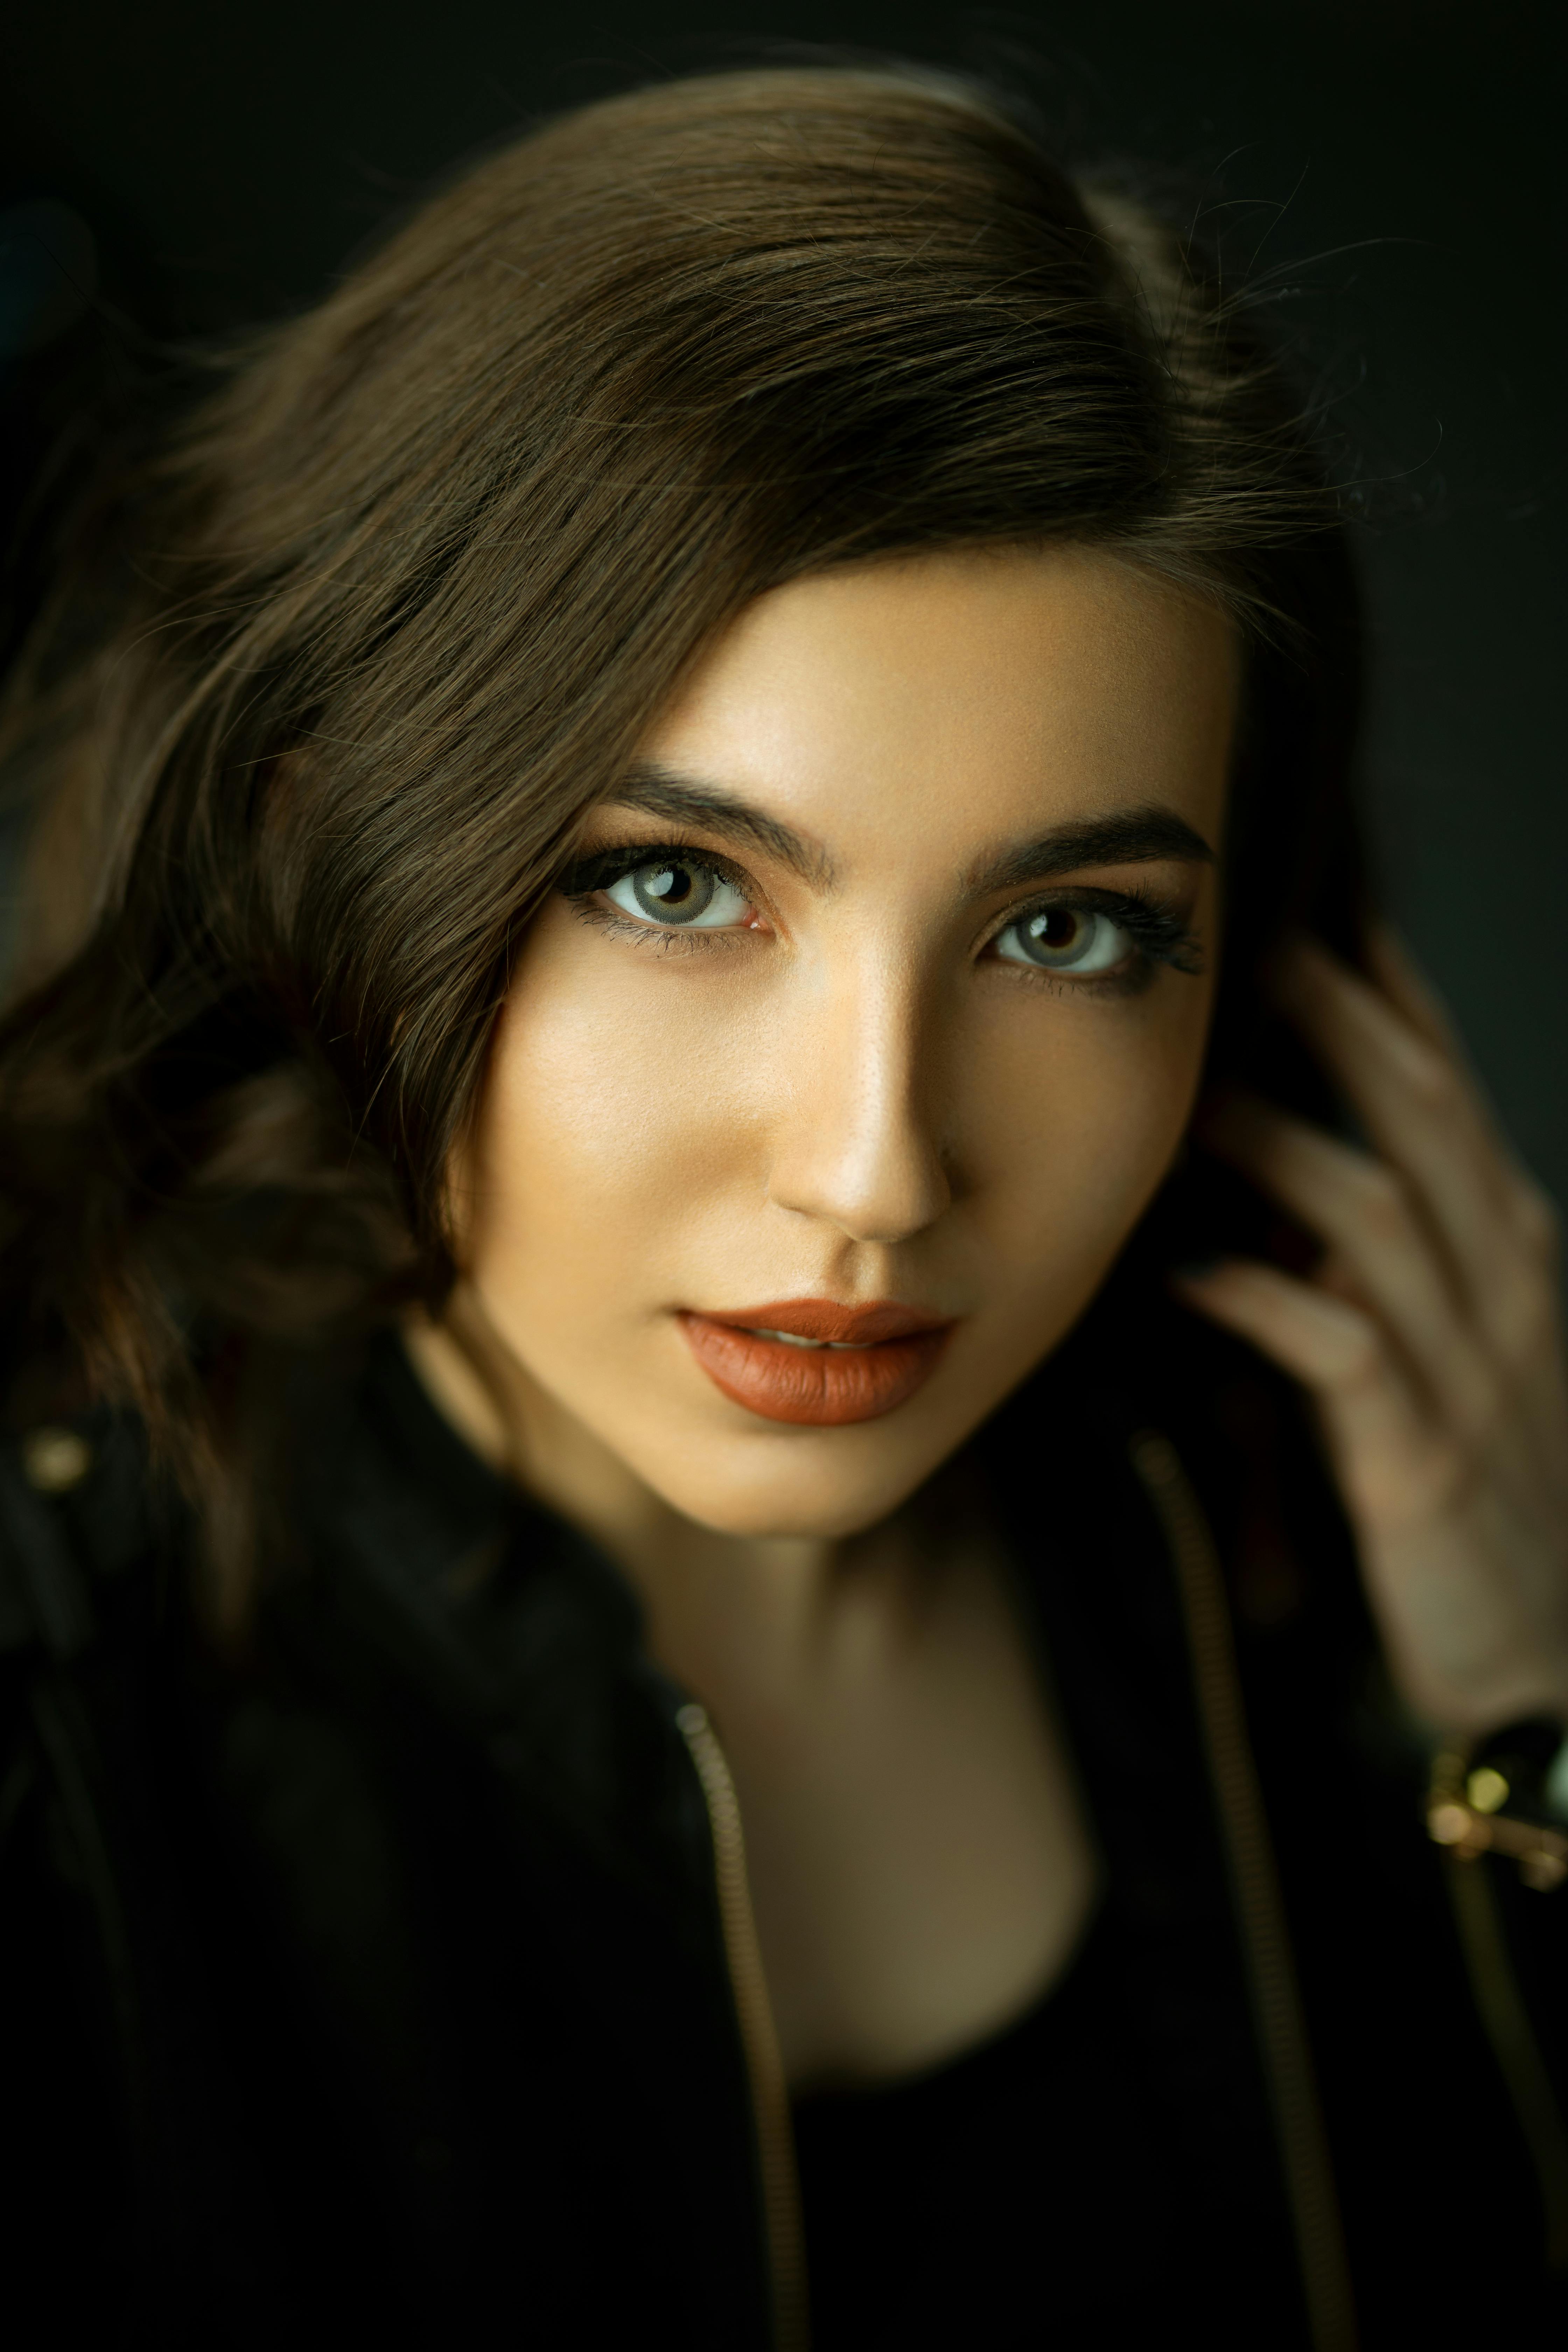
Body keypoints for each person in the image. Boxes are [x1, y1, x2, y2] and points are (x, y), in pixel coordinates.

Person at [0, 62, 1564, 2351]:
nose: (875, 1170)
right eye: (671, 886)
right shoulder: (56, 1728)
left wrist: (1533, 1714)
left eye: (1069, 934)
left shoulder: (1322, 1591)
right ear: (332, 856)